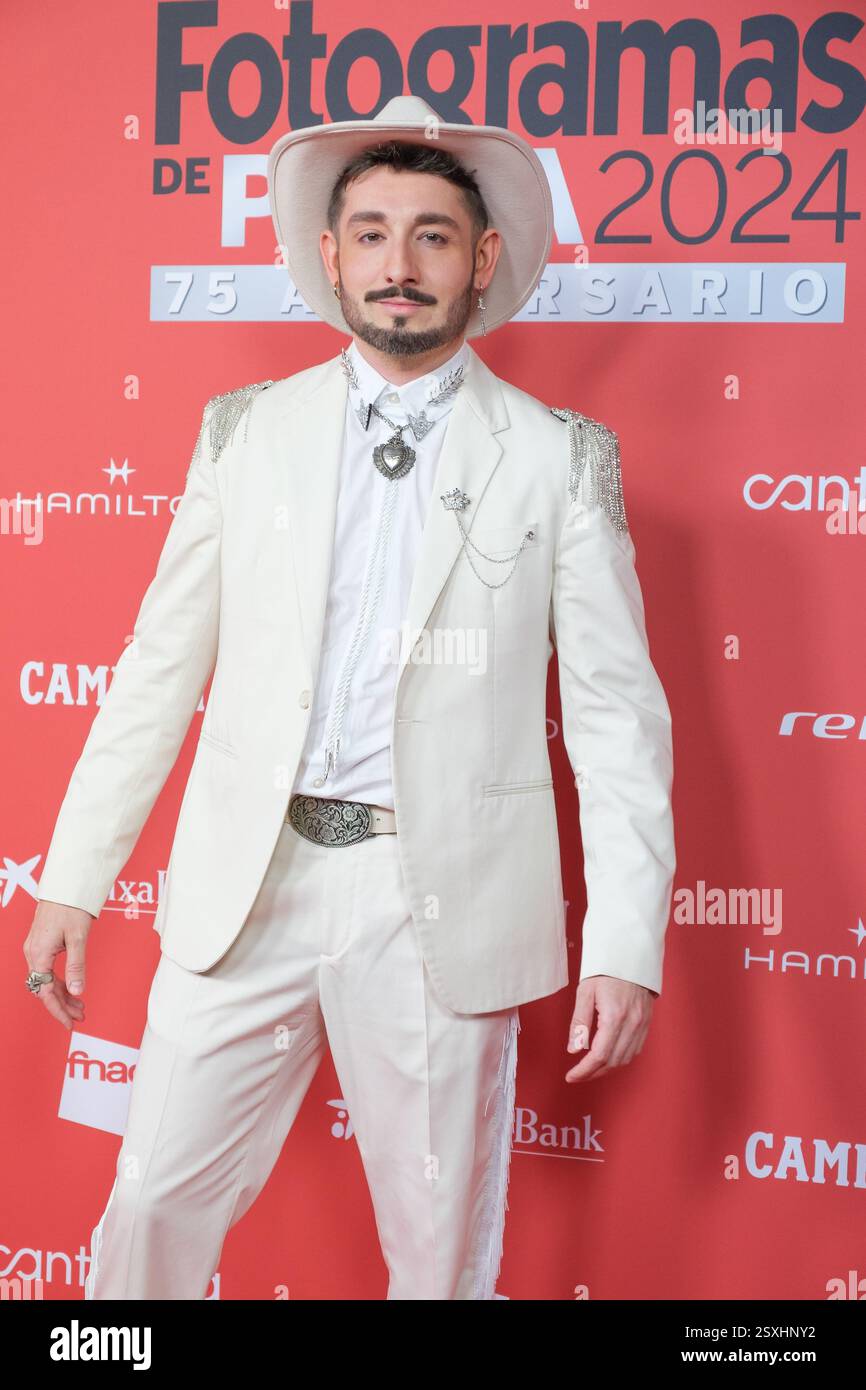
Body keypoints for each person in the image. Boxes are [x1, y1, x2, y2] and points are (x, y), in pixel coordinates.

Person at [25, 95, 676, 1300]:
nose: (398, 263)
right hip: (249, 880)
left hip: (435, 904)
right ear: (328, 259)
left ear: (481, 262)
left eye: (432, 235)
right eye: (370, 233)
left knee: (437, 1257)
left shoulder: (555, 455)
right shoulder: (245, 433)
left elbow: (615, 718)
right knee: (152, 1206)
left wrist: (624, 939)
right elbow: (159, 666)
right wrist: (73, 875)